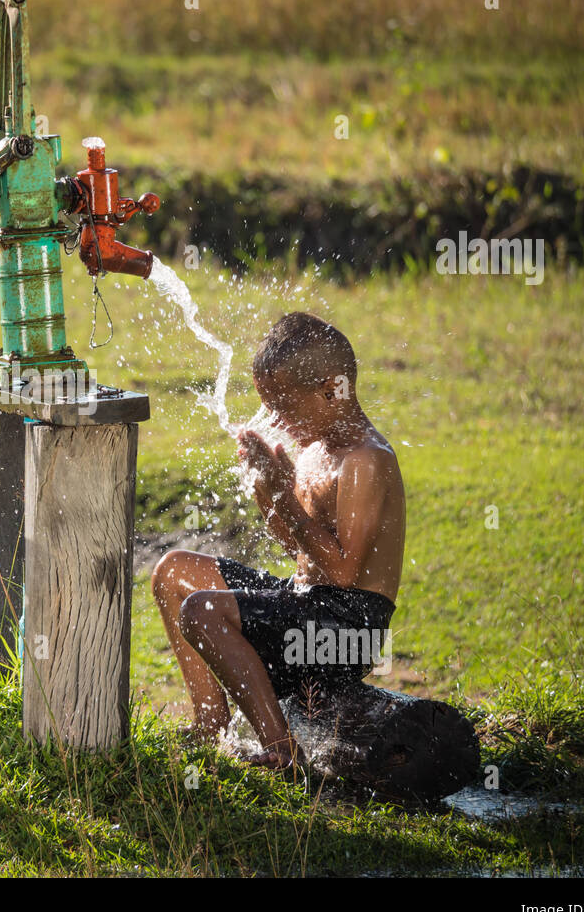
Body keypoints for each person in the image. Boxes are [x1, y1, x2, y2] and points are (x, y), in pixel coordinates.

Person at [151, 312, 405, 771]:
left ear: (332, 391)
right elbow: (303, 556)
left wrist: (285, 499)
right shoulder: (314, 449)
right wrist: (267, 495)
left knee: (203, 610)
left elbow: (344, 573)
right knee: (173, 572)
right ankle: (211, 726)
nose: (274, 419)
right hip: (309, 603)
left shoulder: (365, 461)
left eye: (283, 406)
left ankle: (283, 751)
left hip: (349, 631)